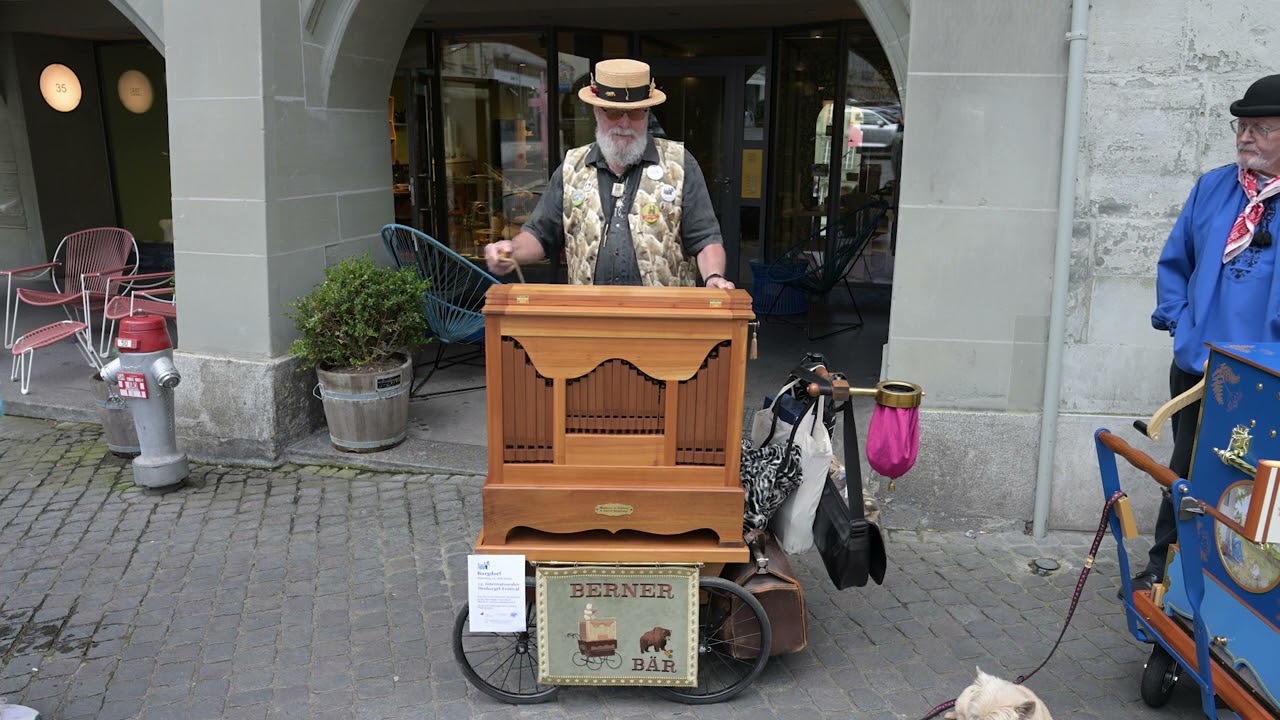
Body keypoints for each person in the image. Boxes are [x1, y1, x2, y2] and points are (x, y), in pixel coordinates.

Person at [1138, 74, 1280, 595]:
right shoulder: (1214, 187)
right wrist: (1183, 323)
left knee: (1258, 485)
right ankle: (1163, 567)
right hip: (1201, 367)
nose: (1245, 137)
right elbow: (1176, 263)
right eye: (1241, 126)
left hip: (1269, 378)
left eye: (1260, 128)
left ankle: (1246, 589)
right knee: (1186, 471)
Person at [484, 59, 734, 289]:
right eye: (612, 112)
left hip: (663, 317)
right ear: (596, 111)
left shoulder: (679, 164)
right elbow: (540, 234)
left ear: (647, 113)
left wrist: (714, 277)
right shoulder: (572, 167)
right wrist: (511, 250)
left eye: (635, 112)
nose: (624, 123)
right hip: (591, 316)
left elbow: (706, 239)